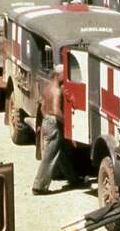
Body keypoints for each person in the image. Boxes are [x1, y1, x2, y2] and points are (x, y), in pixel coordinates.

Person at [32, 64, 83, 195]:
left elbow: (43, 108)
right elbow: (56, 111)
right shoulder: (56, 90)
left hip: (47, 121)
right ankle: (39, 186)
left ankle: (73, 179)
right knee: (50, 155)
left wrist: (46, 120)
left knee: (61, 152)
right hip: (54, 123)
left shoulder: (47, 87)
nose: (66, 76)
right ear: (58, 75)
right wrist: (67, 124)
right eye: (64, 74)